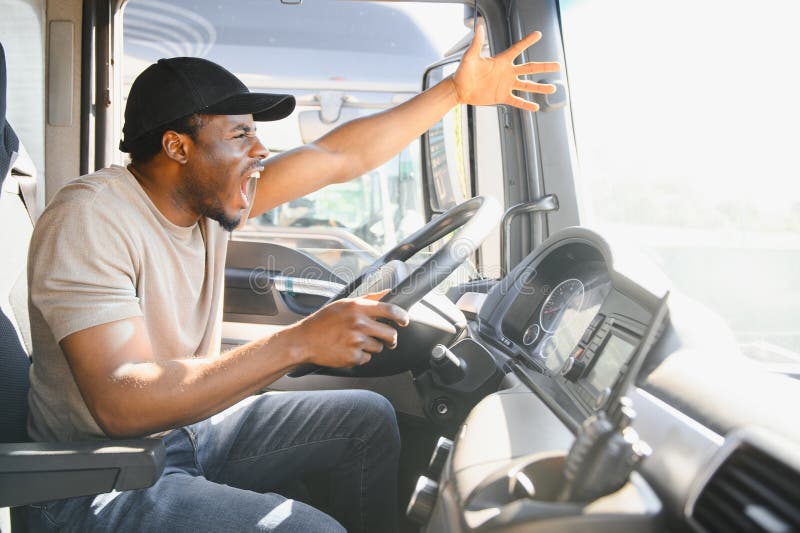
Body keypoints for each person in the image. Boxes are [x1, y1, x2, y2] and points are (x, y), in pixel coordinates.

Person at [25, 26, 559, 532]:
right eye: (240, 135)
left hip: (183, 435)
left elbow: (335, 156)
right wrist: (300, 341)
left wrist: (455, 92)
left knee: (365, 422)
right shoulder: (90, 219)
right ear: (177, 147)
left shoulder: (207, 202)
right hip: (96, 478)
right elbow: (123, 404)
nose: (259, 151)